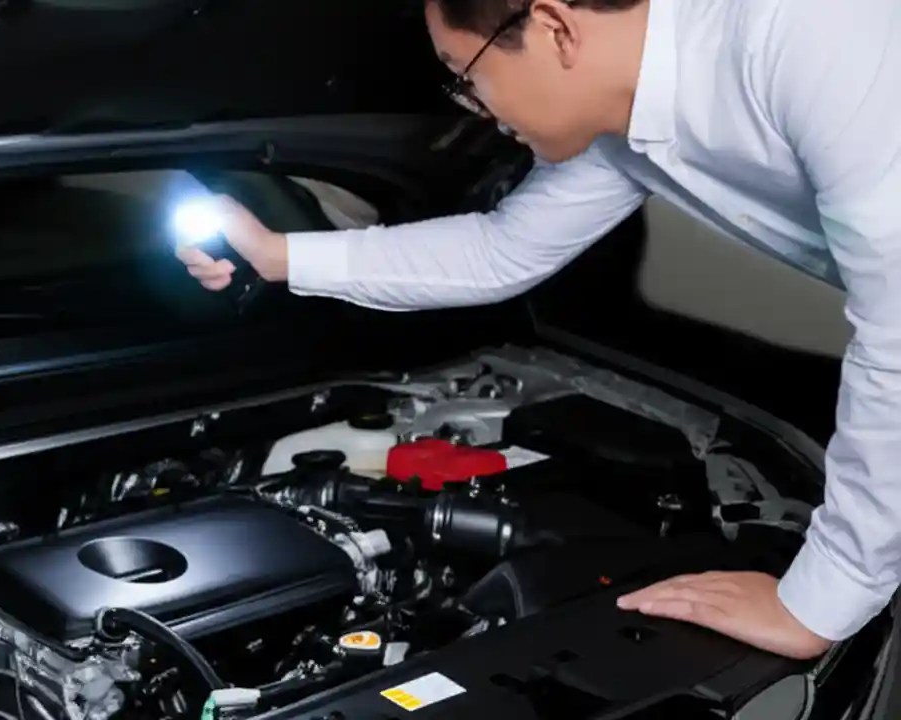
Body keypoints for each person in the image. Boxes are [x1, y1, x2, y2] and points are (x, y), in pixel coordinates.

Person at [178, 0, 901, 660]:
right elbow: (503, 250)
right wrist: (278, 256)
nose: (475, 108)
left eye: (466, 77)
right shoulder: (624, 113)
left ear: (555, 28)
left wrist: (817, 603)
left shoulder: (809, 31)